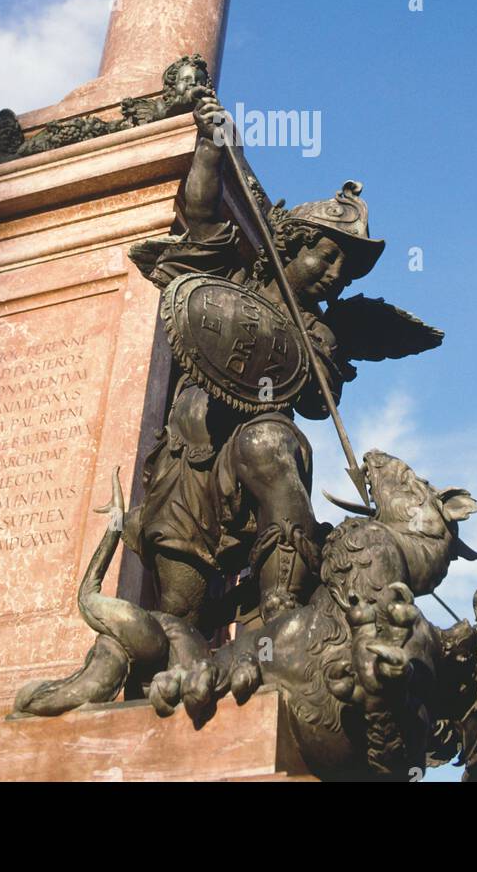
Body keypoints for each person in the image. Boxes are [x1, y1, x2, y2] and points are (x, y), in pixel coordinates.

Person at [126, 90, 391, 632]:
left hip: (260, 452)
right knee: (179, 609)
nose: (336, 274)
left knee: (271, 442)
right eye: (328, 253)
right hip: (195, 444)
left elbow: (318, 403)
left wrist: (321, 366)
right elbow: (199, 213)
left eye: (347, 268)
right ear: (290, 244)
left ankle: (281, 616)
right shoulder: (235, 281)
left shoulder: (316, 331)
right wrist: (209, 148)